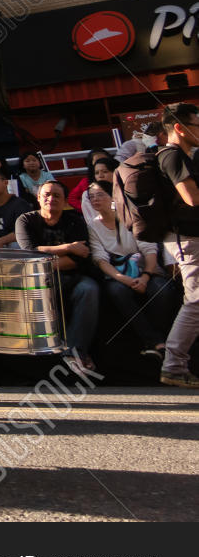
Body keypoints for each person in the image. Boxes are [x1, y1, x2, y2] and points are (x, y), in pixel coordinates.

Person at [83, 181, 179, 360]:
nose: (95, 199)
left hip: (146, 269)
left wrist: (145, 276)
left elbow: (149, 250)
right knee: (117, 292)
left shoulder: (131, 217)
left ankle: (160, 338)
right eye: (91, 196)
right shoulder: (92, 226)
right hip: (118, 275)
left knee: (162, 291)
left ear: (113, 196)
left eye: (100, 194)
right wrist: (124, 279)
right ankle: (155, 341)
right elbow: (100, 259)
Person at [15, 180, 101, 376]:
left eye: (57, 195)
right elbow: (29, 253)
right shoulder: (25, 220)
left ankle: (75, 352)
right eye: (46, 195)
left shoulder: (75, 221)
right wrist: (68, 247)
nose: (51, 199)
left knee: (89, 289)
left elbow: (80, 259)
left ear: (65, 201)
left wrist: (45, 260)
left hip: (73, 276)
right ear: (38, 198)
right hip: (37, 280)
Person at [154, 104, 199, 388]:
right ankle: (173, 366)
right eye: (197, 125)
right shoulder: (172, 156)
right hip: (188, 239)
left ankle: (175, 365)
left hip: (190, 237)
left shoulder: (184, 156)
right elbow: (192, 198)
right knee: (197, 302)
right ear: (180, 128)